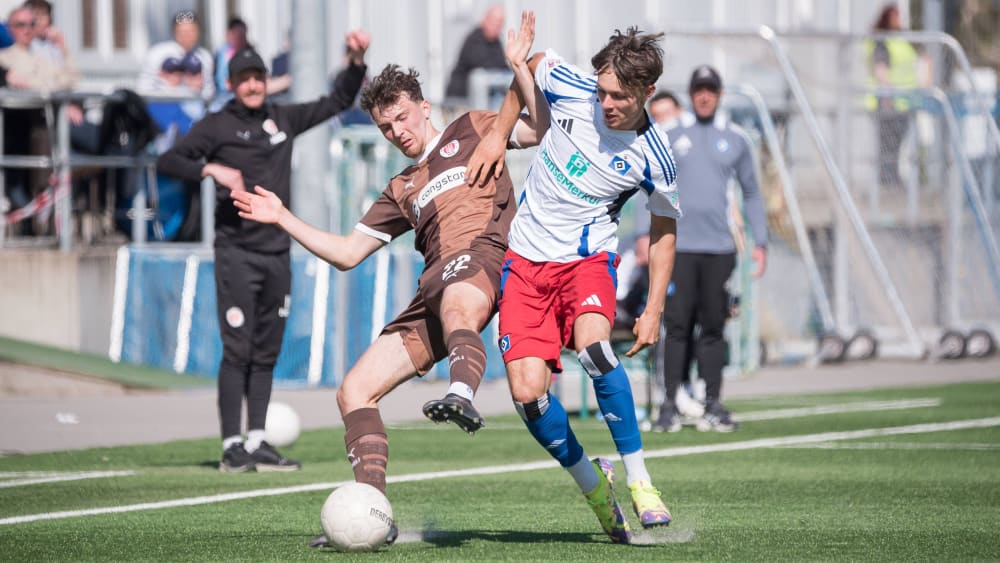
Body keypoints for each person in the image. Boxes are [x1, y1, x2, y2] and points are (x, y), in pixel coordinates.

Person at [466, 22, 681, 544]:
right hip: (525, 263)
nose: (606, 104)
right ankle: (592, 483)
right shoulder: (573, 87)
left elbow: (664, 230)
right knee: (526, 392)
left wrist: (652, 309)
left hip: (586, 262)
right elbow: (534, 66)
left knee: (595, 350)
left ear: (647, 94)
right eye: (603, 91)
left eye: (620, 98)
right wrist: (498, 134)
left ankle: (641, 481)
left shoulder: (656, 158)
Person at [156, 34, 369, 473]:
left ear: (266, 81)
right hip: (237, 253)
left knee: (267, 351)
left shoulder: (283, 117)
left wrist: (355, 60)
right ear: (232, 83)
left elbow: (339, 100)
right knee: (238, 350)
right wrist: (208, 167)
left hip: (276, 253)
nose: (252, 85)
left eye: (258, 78)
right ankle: (232, 445)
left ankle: (257, 441)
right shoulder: (216, 126)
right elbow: (168, 161)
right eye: (244, 79)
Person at [653, 65, 768, 434]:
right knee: (676, 326)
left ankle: (712, 402)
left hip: (719, 248)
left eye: (710, 90)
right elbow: (651, 185)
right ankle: (669, 404)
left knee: (714, 327)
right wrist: (645, 235)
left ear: (718, 94)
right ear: (691, 93)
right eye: (698, 89)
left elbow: (751, 192)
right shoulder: (671, 134)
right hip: (679, 248)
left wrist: (759, 241)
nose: (704, 95)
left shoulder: (734, 138)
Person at [865, 3, 925, 191]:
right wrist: (888, 96)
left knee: (897, 146)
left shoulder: (901, 40)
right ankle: (887, 183)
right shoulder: (882, 41)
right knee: (887, 147)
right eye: (896, 17)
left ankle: (892, 180)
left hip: (905, 102)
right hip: (889, 103)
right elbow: (881, 71)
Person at [138, 10, 214, 101]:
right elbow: (144, 88)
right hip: (163, 105)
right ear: (175, 32)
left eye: (192, 31)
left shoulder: (205, 56)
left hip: (195, 107)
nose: (188, 36)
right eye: (183, 32)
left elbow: (209, 90)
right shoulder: (157, 54)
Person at [444, 4, 507, 100]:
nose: (497, 27)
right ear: (485, 20)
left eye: (500, 24)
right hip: (461, 99)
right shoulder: (474, 39)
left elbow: (502, 66)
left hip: (480, 100)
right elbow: (486, 66)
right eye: (495, 22)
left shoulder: (496, 42)